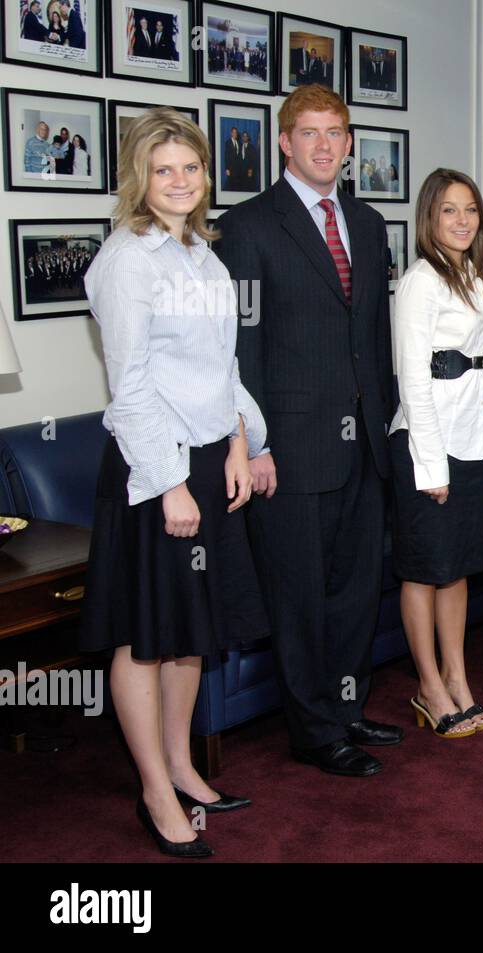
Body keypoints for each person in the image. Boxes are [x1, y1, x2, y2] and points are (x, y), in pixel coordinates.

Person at [80, 107, 266, 858]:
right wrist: (167, 484)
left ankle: (186, 766)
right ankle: (154, 789)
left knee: (192, 631)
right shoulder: (127, 259)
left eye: (191, 167)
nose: (181, 181)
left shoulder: (205, 257)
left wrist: (240, 439)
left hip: (205, 458)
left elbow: (223, 369)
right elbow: (127, 387)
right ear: (139, 177)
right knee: (145, 634)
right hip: (150, 467)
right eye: (165, 169)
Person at [215, 85, 402, 778]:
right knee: (299, 596)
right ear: (284, 142)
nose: (325, 145)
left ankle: (347, 705)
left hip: (365, 446)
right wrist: (253, 444)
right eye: (310, 133)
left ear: (349, 144)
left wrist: (387, 423)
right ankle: (314, 730)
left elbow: (372, 337)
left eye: (337, 132)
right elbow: (239, 352)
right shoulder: (246, 226)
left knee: (356, 590)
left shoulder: (370, 220)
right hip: (289, 449)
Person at [390, 169, 483, 739]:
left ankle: (458, 678)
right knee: (425, 568)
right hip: (422, 442)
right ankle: (429, 686)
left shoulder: (473, 278)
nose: (462, 220)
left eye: (471, 210)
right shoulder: (420, 281)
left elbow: (480, 373)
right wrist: (430, 464)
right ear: (429, 218)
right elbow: (412, 377)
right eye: (449, 210)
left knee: (456, 569)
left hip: (467, 436)